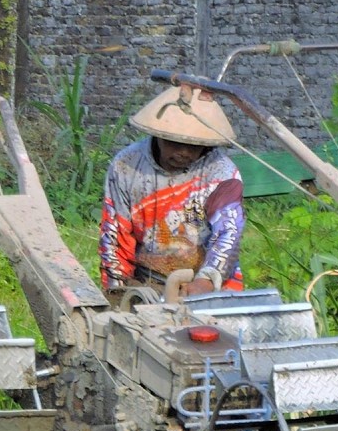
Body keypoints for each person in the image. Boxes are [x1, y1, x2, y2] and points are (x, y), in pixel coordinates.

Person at [99, 84, 245, 297]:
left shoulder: (222, 173)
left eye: (194, 146)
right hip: (146, 280)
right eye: (175, 143)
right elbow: (115, 234)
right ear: (158, 135)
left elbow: (228, 233)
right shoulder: (127, 166)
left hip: (208, 280)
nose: (184, 152)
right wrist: (117, 289)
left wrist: (206, 280)